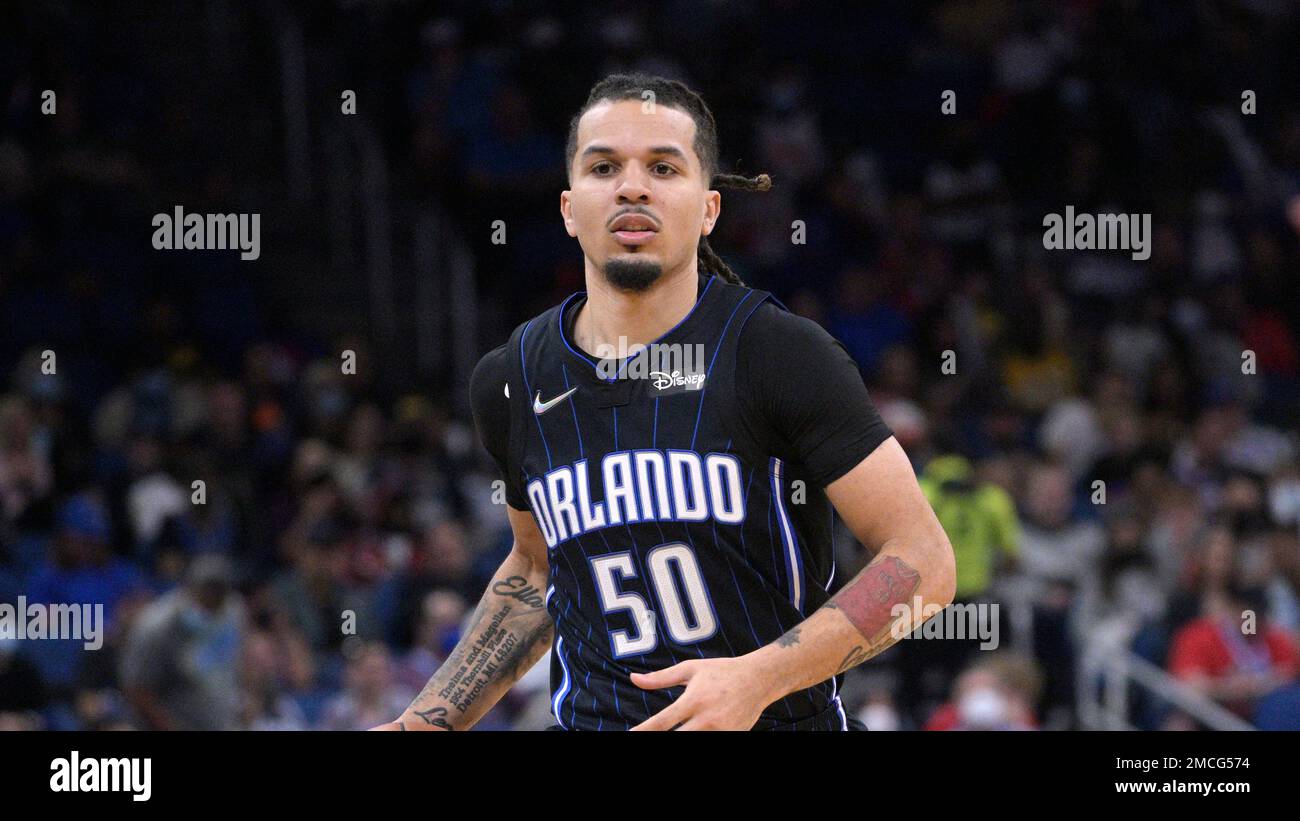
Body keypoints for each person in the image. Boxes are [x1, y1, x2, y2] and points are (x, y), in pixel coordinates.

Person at [377, 73, 955, 731]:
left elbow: (924, 562)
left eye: (662, 166)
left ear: (709, 207)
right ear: (569, 208)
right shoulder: (512, 378)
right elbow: (538, 569)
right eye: (603, 167)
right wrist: (425, 721)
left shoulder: (778, 352)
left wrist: (759, 677)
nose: (632, 186)